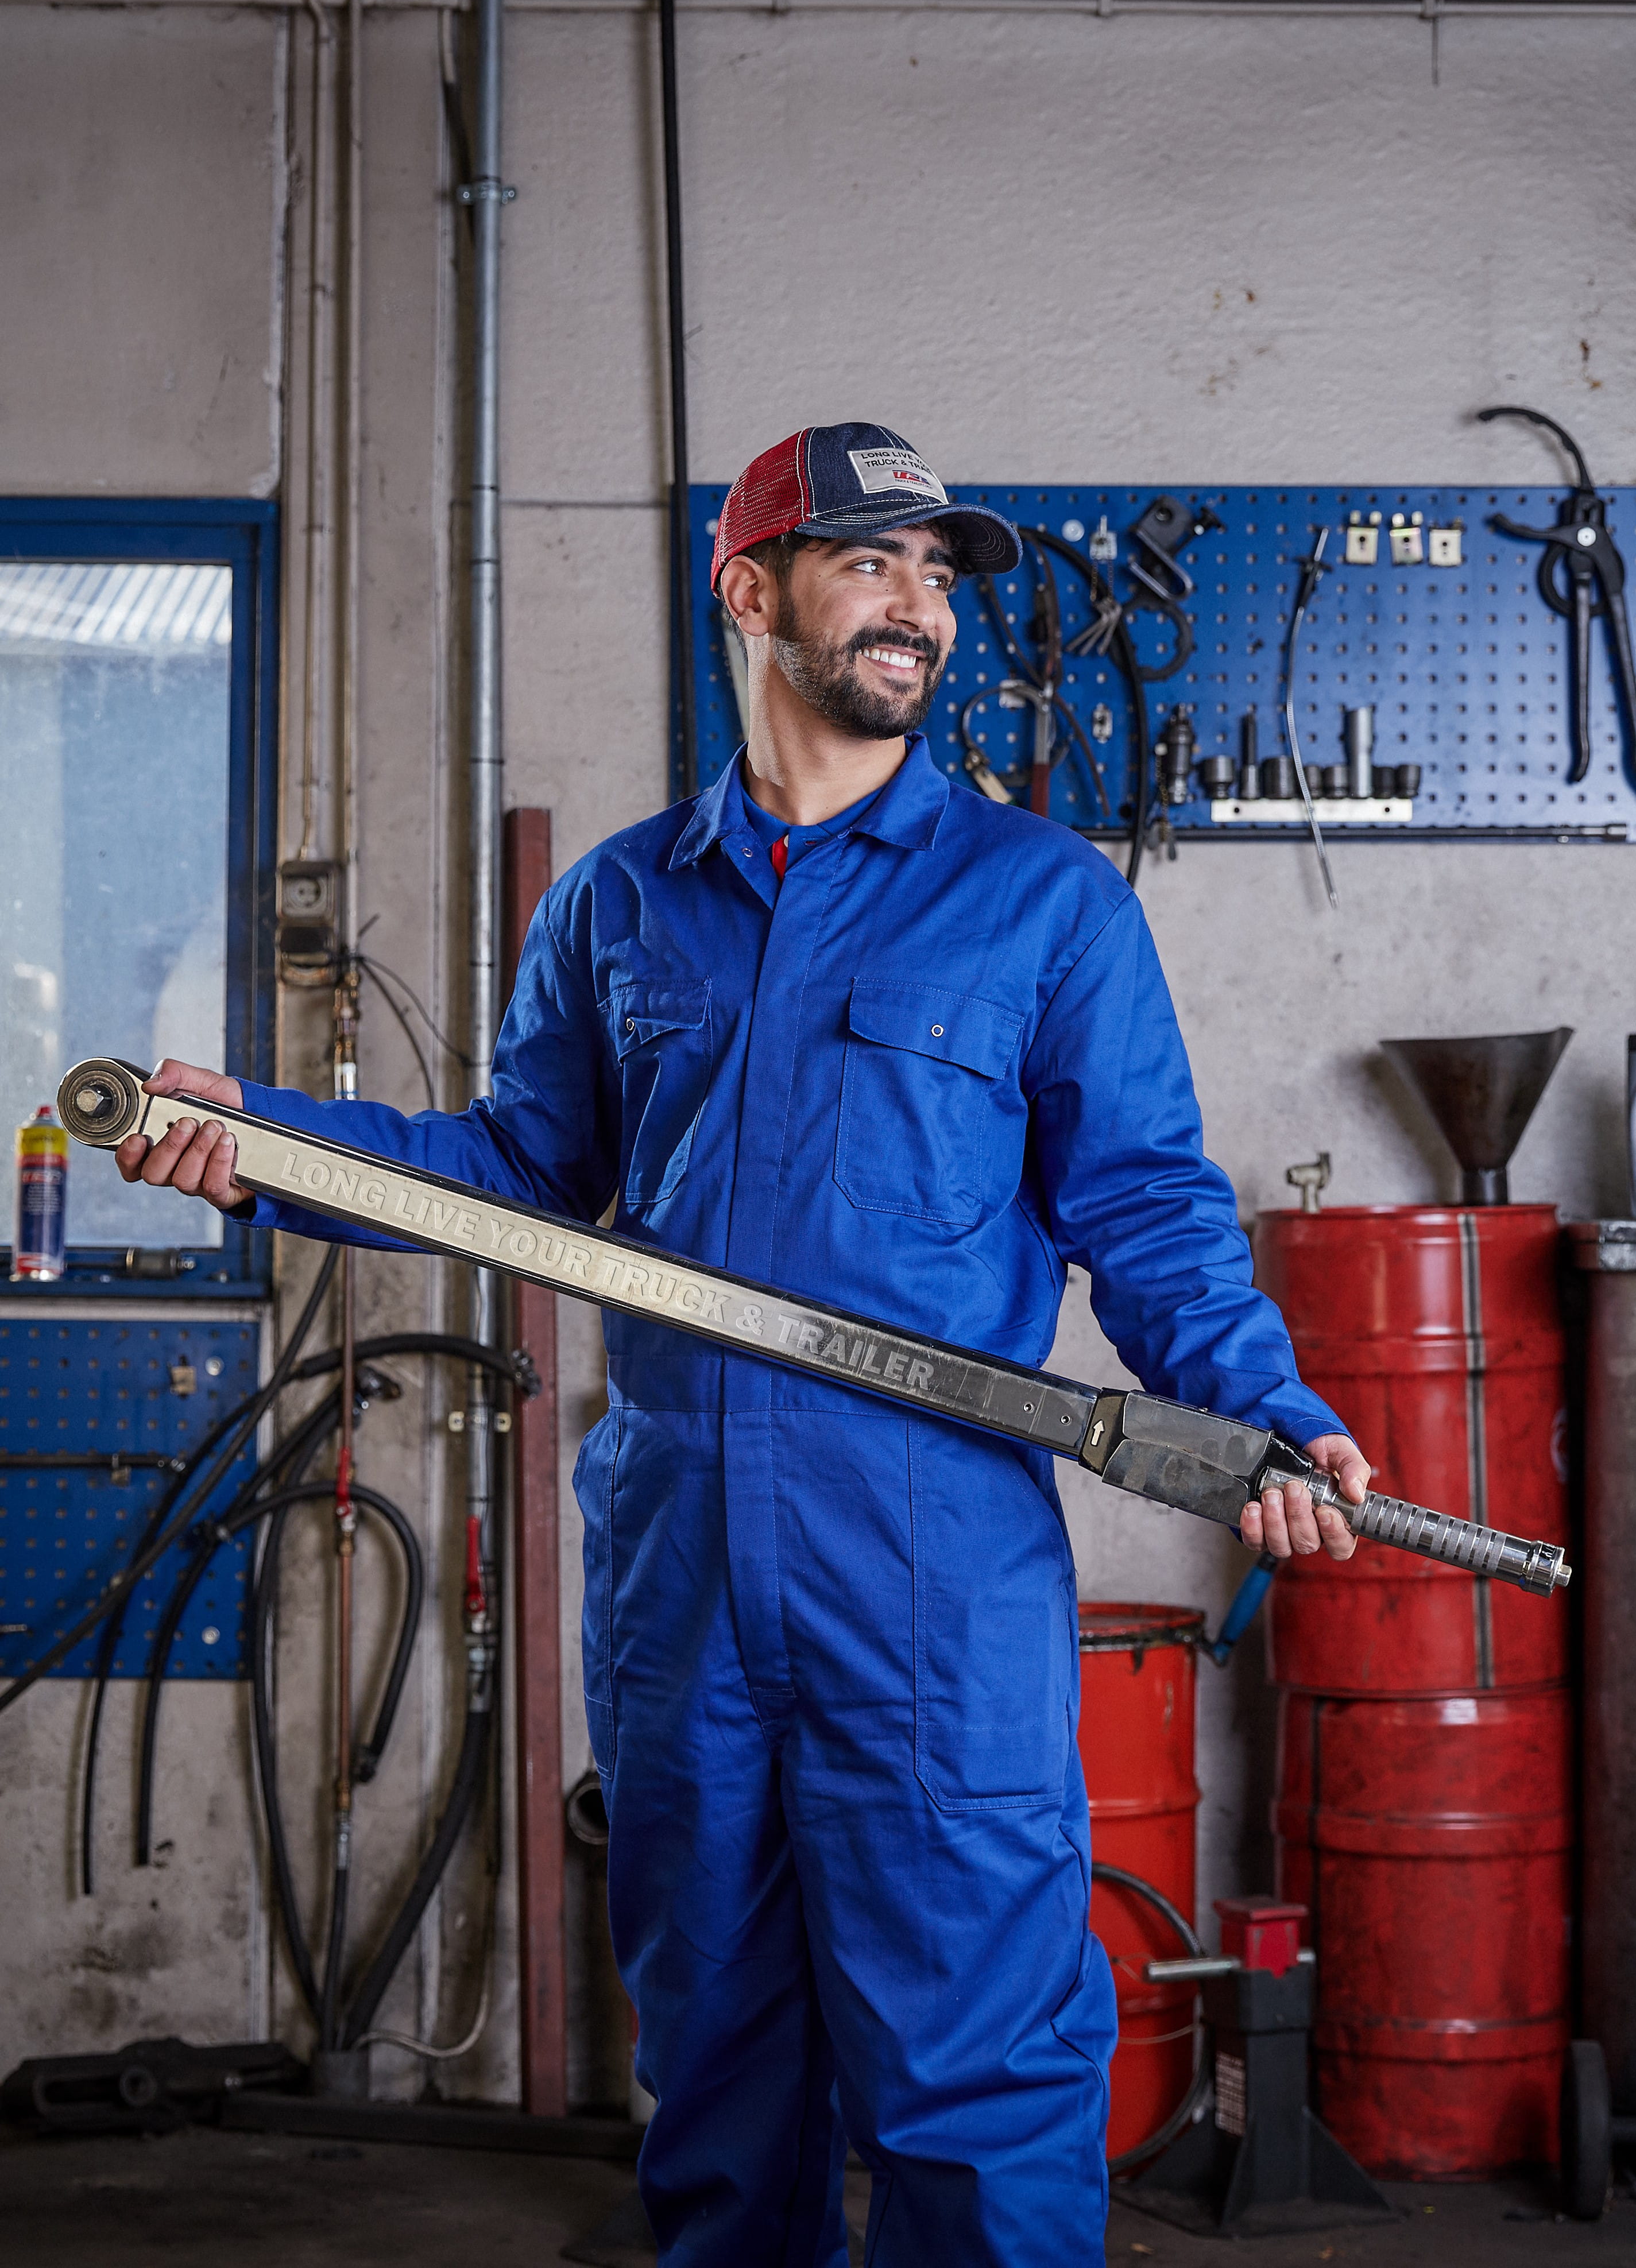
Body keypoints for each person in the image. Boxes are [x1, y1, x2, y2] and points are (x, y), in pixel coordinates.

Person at [119, 421, 1366, 2268]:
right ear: (751, 586)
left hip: (926, 1568)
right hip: (682, 1569)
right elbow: (512, 1175)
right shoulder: (619, 904)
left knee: (976, 2083)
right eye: (874, 562)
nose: (920, 609)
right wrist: (274, 1148)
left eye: (942, 577)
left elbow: (1153, 1218)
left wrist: (1268, 1413)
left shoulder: (1042, 902)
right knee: (714, 2077)